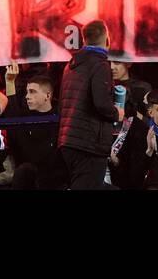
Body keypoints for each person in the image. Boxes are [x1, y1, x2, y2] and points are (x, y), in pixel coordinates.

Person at [57, 19, 123, 189]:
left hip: (68, 141)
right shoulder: (100, 65)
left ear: (84, 40)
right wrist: (117, 113)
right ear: (107, 40)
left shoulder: (70, 66)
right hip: (89, 145)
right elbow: (101, 103)